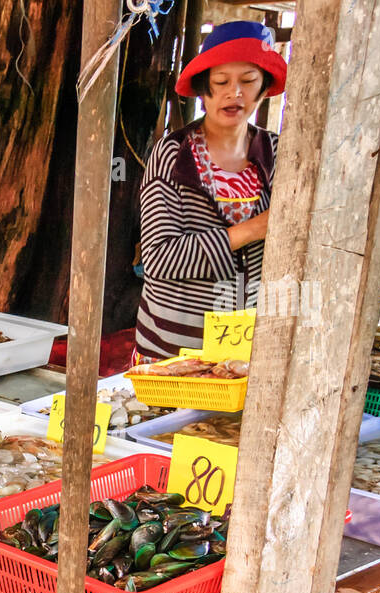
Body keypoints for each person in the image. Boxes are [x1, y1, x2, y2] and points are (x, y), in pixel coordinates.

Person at [135, 20, 287, 359]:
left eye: (248, 81)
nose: (235, 93)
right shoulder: (173, 156)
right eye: (221, 82)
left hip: (247, 346)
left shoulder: (279, 153)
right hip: (174, 348)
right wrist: (253, 229)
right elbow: (159, 259)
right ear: (204, 90)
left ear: (263, 89)